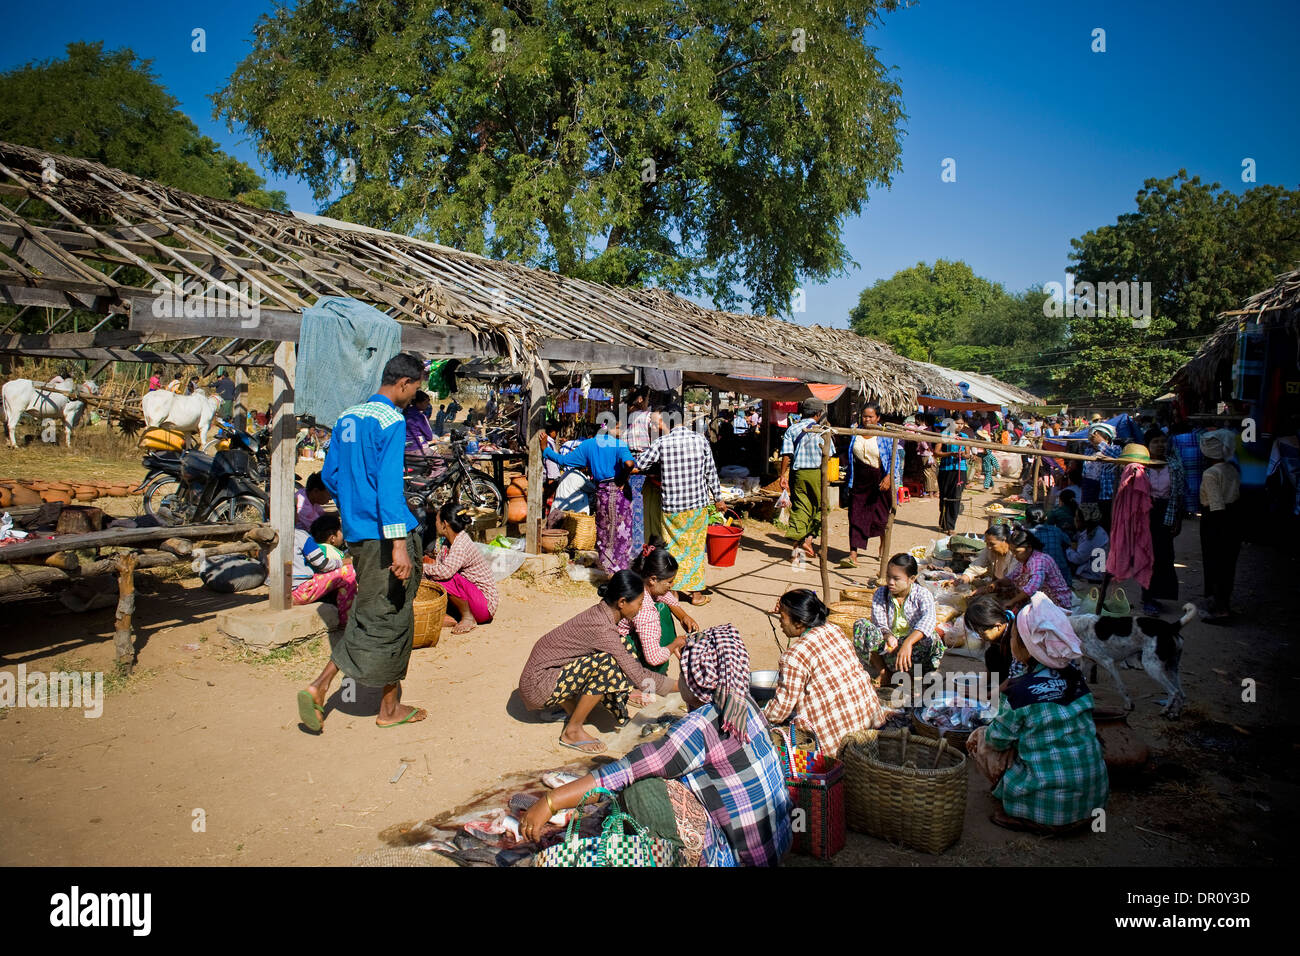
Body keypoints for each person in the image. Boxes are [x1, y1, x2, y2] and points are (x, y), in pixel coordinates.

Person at [519, 626, 793, 866]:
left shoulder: (701, 724)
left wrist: (551, 801)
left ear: (694, 681)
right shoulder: (743, 704)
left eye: (683, 674)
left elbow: (623, 772)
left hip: (740, 858)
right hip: (776, 845)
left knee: (643, 792)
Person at [296, 352, 426, 732]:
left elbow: (331, 475)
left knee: (377, 610)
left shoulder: (347, 416)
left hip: (357, 532)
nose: (414, 396)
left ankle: (383, 701)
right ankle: (368, 702)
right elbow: (388, 487)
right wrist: (399, 544)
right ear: (403, 383)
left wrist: (355, 502)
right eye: (415, 388)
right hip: (387, 535)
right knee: (393, 613)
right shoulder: (391, 420)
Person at [965, 593, 1108, 835]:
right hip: (1094, 801)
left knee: (980, 737)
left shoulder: (1019, 692)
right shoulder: (1076, 679)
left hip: (1051, 809)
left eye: (1014, 638)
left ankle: (1028, 813)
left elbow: (996, 739)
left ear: (1027, 644)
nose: (1010, 642)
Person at [517, 570, 676, 754]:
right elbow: (640, 677)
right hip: (538, 687)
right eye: (639, 604)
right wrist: (680, 686)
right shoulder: (602, 629)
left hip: (543, 675)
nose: (640, 609)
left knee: (622, 646)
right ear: (622, 602)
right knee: (607, 663)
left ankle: (571, 708)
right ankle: (573, 731)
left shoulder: (601, 613)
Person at [764, 589, 886, 757]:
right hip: (870, 725)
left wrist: (758, 715)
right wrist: (789, 609)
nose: (780, 622)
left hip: (836, 746)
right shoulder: (834, 630)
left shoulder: (795, 656)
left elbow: (778, 712)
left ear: (799, 623)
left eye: (783, 618)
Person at [634, 404, 723, 606]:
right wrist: (718, 498)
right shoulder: (700, 440)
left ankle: (672, 592)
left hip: (672, 507)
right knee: (696, 550)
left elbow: (640, 464)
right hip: (697, 506)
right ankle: (696, 595)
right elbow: (711, 473)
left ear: (665, 421)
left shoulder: (662, 443)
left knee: (673, 549)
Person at [542, 426, 636, 574]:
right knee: (622, 532)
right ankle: (619, 571)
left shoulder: (588, 445)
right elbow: (629, 464)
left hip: (603, 493)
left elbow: (563, 460)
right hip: (620, 492)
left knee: (605, 532)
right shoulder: (619, 444)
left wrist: (546, 450)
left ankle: (609, 569)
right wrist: (622, 479)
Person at [854, 554, 943, 682]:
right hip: (890, 652)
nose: (890, 582)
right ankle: (884, 672)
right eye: (888, 576)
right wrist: (888, 636)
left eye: (896, 578)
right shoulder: (881, 593)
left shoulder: (922, 595)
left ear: (911, 579)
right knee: (861, 625)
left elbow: (928, 620)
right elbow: (880, 624)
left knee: (933, 637)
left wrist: (908, 643)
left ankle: (914, 675)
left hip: (914, 654)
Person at [617, 543, 700, 675]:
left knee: (663, 604)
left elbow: (665, 596)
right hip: (618, 648)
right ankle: (647, 677)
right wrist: (675, 644)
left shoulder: (634, 580)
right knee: (661, 610)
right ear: (653, 579)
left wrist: (683, 616)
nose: (672, 585)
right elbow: (653, 658)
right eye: (669, 582)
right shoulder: (645, 610)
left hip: (610, 634)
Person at [842, 403, 902, 569]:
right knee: (855, 516)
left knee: (881, 517)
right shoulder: (856, 433)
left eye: (870, 417)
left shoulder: (884, 435)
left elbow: (894, 458)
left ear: (878, 418)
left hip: (880, 479)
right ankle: (853, 555)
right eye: (864, 416)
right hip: (859, 479)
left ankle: (883, 547)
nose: (867, 419)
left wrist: (889, 476)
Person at [422, 502, 498, 634]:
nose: (435, 524)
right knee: (435, 574)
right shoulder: (448, 542)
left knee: (444, 577)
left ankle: (468, 616)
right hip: (472, 598)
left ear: (444, 524)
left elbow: (445, 572)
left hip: (484, 605)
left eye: (436, 520)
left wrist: (421, 568)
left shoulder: (460, 545)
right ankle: (451, 615)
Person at [1198, 428, 1242, 625]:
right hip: (1233, 518)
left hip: (1216, 520)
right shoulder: (1232, 469)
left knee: (1214, 563)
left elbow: (1216, 503)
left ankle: (1220, 609)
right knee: (1227, 564)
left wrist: (1217, 526)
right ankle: (1224, 603)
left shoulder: (1210, 473)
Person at [1141, 429, 1185, 615]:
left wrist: (1177, 518)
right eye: (1155, 442)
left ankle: (1157, 596)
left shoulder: (1174, 465)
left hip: (1166, 513)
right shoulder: (1140, 466)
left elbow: (1179, 493)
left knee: (1165, 557)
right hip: (1146, 514)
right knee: (1147, 557)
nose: (1160, 445)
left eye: (1162, 441)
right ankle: (1147, 598)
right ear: (1147, 446)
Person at [779, 399, 828, 560]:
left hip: (798, 473)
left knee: (800, 508)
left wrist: (782, 475)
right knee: (820, 507)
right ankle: (808, 540)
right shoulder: (823, 430)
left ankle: (796, 551)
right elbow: (829, 455)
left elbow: (787, 455)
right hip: (817, 474)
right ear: (818, 414)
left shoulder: (792, 429)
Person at [291, 514, 357, 627]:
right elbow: (323, 564)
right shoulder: (301, 536)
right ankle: (345, 619)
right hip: (301, 591)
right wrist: (343, 562)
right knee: (349, 571)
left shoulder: (271, 536)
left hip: (284, 593)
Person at [622, 386, 665, 554]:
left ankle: (630, 547)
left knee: (631, 509)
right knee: (644, 510)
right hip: (643, 467)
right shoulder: (647, 417)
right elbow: (658, 432)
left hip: (627, 467)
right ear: (641, 400)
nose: (648, 403)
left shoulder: (625, 417)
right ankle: (645, 548)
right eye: (647, 399)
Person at [1000, 527, 1073, 610]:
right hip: (1044, 599)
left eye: (1017, 552)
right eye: (1012, 552)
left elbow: (1033, 586)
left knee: (1024, 581)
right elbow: (1012, 576)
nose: (1015, 556)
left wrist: (1012, 601)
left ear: (1029, 548)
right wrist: (996, 583)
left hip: (1058, 601)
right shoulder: (1025, 560)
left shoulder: (1039, 560)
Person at [1081, 422, 1123, 529]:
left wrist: (1101, 443)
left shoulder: (1115, 449)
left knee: (1107, 525)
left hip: (1108, 496)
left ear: (1107, 439)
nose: (1093, 441)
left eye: (1096, 438)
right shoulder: (1088, 451)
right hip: (1090, 495)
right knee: (1091, 525)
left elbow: (1117, 457)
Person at [958, 524, 1020, 589]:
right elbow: (976, 567)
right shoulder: (989, 549)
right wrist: (961, 580)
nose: (989, 547)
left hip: (1010, 589)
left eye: (992, 544)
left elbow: (1010, 579)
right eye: (987, 543)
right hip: (996, 584)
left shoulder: (1015, 555)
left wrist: (988, 588)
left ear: (1004, 540)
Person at [1024, 504, 1073, 585]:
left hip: (1043, 579)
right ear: (1045, 518)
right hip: (1064, 576)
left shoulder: (1028, 535)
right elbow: (1068, 543)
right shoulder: (1056, 530)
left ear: (1027, 520)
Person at [934, 419, 967, 534]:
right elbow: (936, 452)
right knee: (944, 497)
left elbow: (968, 454)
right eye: (958, 423)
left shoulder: (965, 436)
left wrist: (964, 455)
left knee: (956, 497)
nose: (960, 426)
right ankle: (944, 522)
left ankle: (951, 526)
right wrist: (950, 454)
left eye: (962, 424)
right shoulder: (943, 435)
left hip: (960, 470)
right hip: (945, 469)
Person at [1067, 502, 1109, 582]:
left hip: (1093, 575)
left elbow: (1078, 558)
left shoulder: (1093, 536)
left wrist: (1067, 549)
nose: (1074, 520)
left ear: (1084, 521)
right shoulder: (1096, 530)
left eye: (1077, 518)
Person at [404, 390, 435, 455]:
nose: (428, 404)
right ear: (418, 403)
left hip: (405, 450)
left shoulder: (404, 413)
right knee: (441, 461)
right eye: (426, 402)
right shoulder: (420, 417)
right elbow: (429, 437)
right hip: (418, 450)